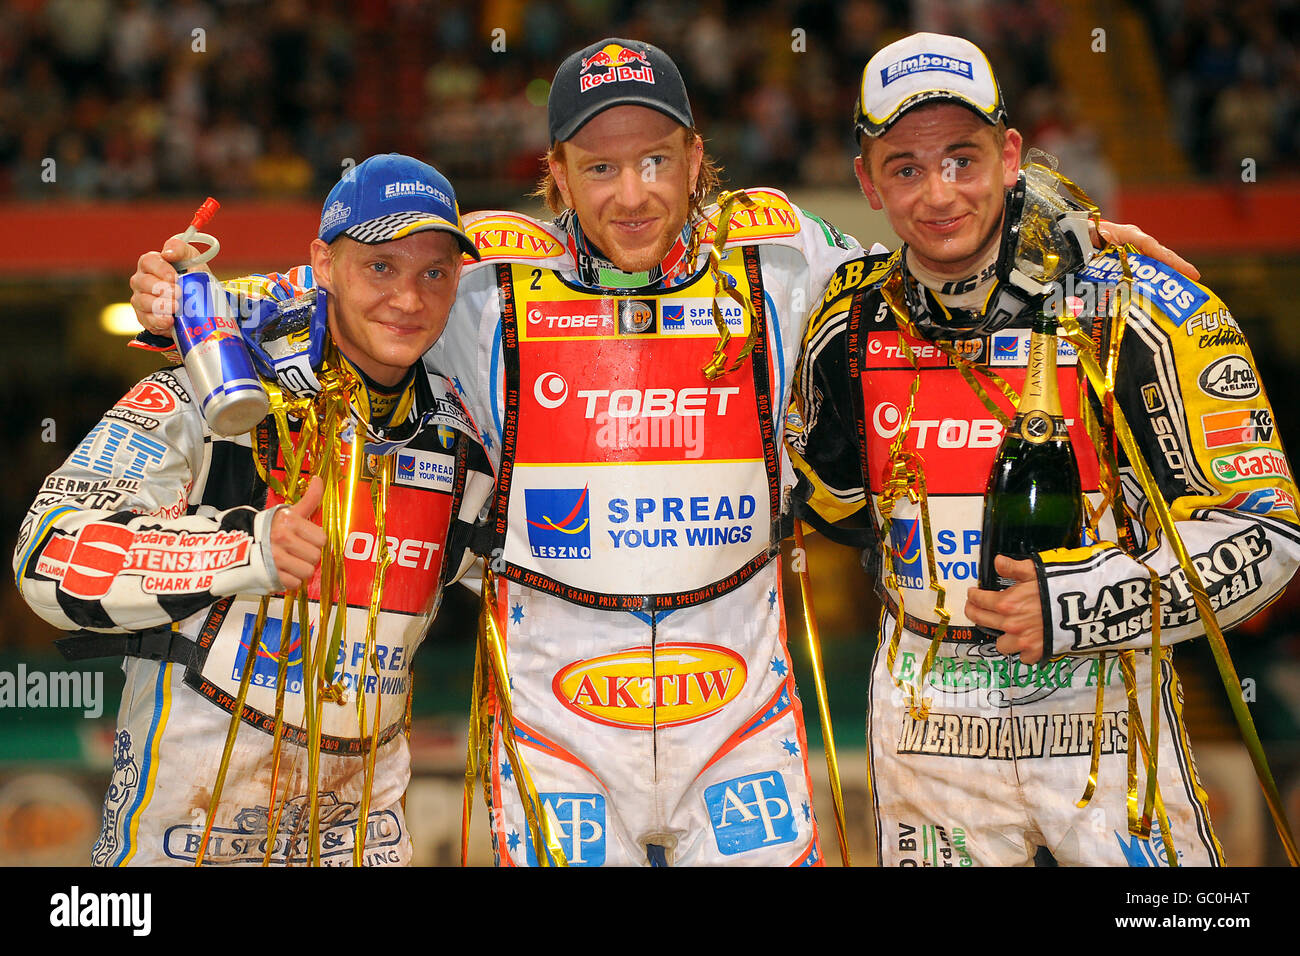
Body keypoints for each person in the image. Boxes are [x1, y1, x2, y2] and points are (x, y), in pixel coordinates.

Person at [788, 32, 1300, 866]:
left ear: (1011, 153)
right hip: (927, 726)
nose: (939, 193)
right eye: (906, 168)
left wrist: (1089, 603)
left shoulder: (1139, 300)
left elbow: (1271, 536)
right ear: (866, 182)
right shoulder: (844, 319)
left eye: (963, 157)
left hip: (1103, 710)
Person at [14, 154, 494, 866]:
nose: (409, 298)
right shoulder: (209, 399)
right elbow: (46, 555)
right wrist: (245, 552)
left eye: (434, 273)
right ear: (323, 265)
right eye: (381, 267)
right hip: (184, 839)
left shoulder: (462, 443)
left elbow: (529, 595)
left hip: (362, 838)